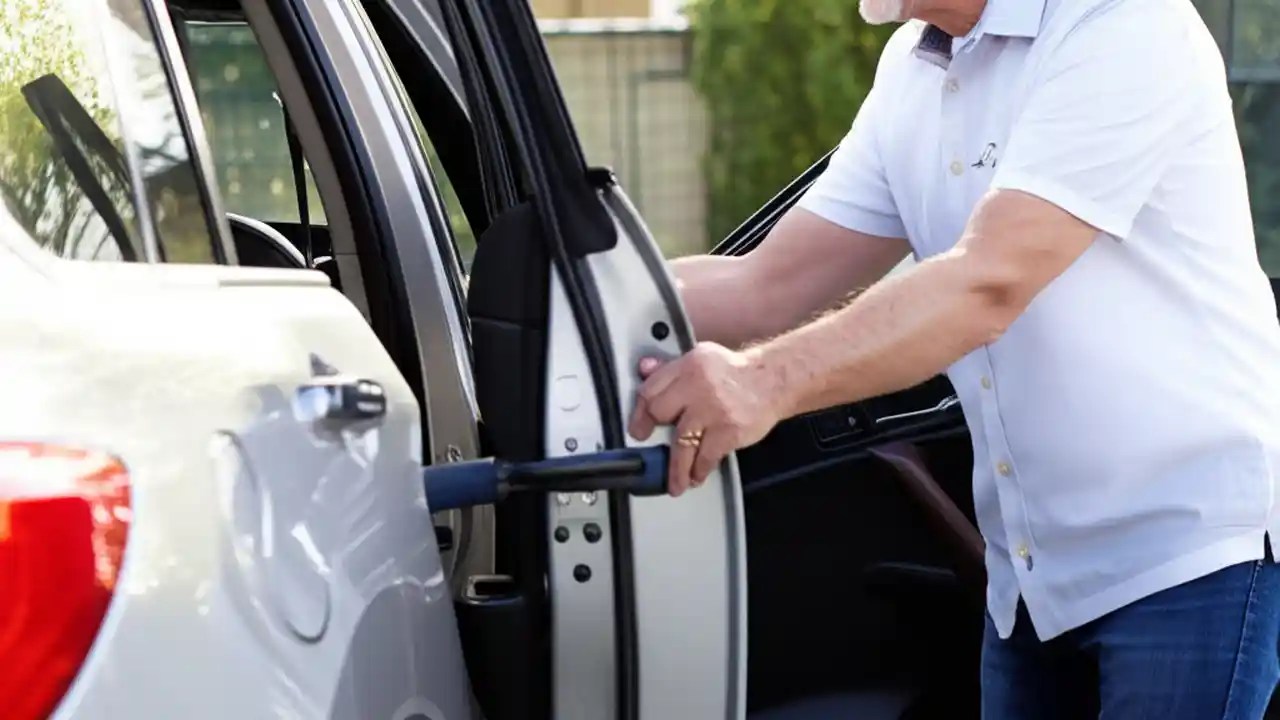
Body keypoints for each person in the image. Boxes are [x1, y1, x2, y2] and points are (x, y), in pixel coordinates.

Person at [628, 0, 1280, 716]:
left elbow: (987, 283)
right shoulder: (912, 73)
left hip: (1184, 560)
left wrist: (763, 381)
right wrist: (582, 300)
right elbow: (767, 284)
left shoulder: (1124, 26)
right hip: (1032, 582)